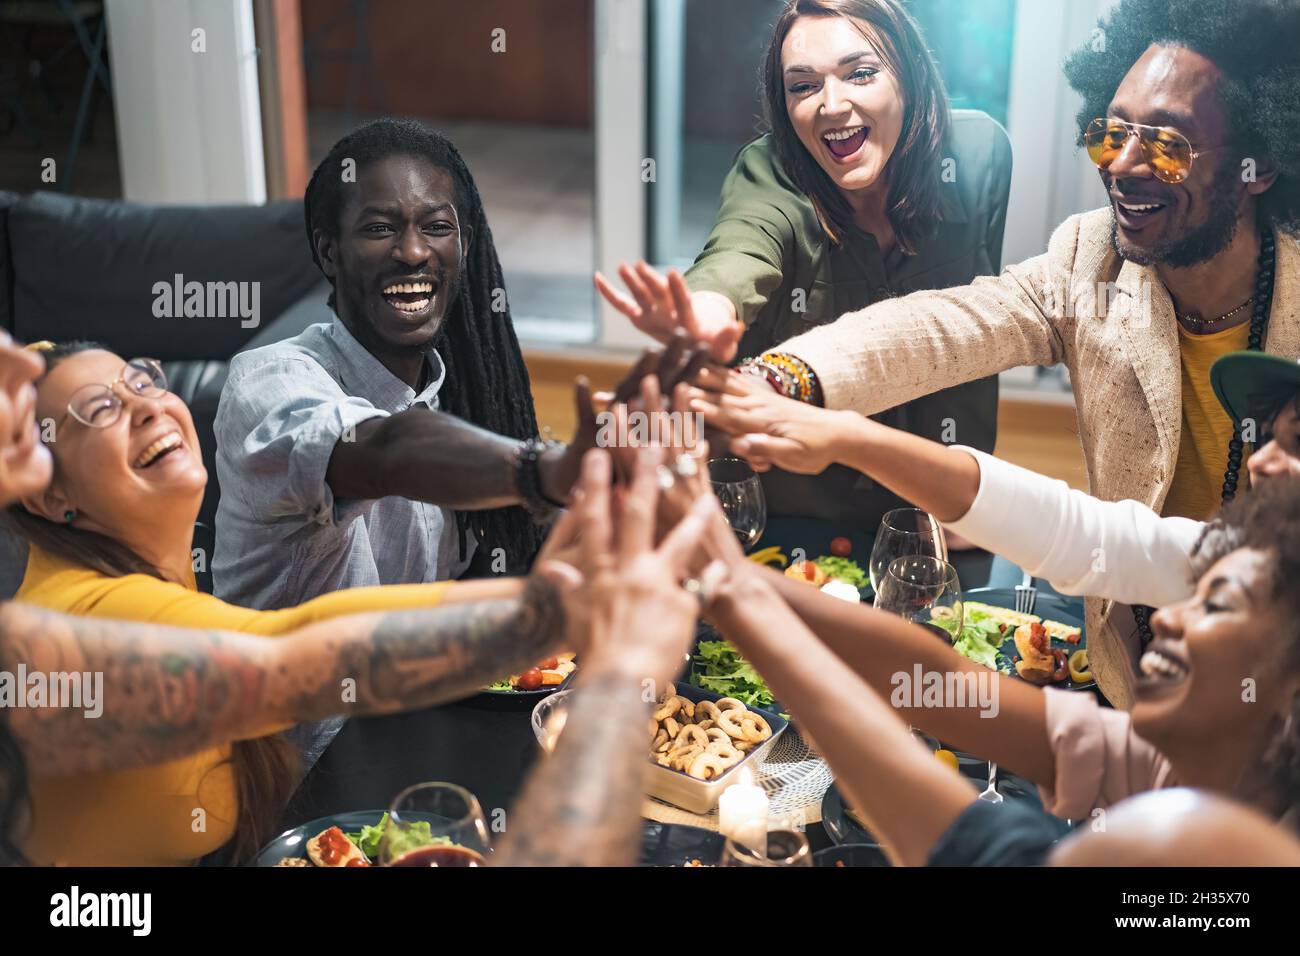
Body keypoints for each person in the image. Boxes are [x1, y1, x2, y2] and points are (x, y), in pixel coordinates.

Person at [663, 0, 1300, 708]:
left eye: (1167, 145)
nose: (1122, 165)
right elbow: (941, 327)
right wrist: (779, 378)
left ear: (1260, 163)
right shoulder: (1092, 262)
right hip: (1140, 680)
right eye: (1110, 134)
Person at [2, 342, 588, 865]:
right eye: (101, 409)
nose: (148, 406)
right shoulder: (83, 613)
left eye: (140, 381)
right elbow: (302, 655)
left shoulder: (135, 576)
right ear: (51, 498)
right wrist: (561, 606)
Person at [651, 401, 1300, 863]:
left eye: (1214, 605)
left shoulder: (1191, 844)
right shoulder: (1186, 761)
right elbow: (940, 687)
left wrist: (728, 589)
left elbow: (945, 827)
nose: (1165, 617)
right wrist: (727, 573)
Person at [596, 0, 1006, 536]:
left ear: (909, 73)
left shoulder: (980, 158)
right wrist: (703, 314)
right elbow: (737, 252)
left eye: (861, 74)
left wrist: (965, 501)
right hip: (792, 510)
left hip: (937, 502)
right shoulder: (771, 174)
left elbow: (981, 323)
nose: (832, 105)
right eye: (803, 86)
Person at [213, 119, 597, 613]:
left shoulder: (453, 396)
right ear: (329, 251)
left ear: (464, 246)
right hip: (285, 689)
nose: (413, 253)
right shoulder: (270, 384)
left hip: (410, 683)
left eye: (436, 228)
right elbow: (386, 451)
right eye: (379, 229)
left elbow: (484, 580)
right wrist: (542, 470)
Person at [690, 349, 1300, 610]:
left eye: (1295, 445)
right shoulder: (1237, 556)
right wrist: (851, 438)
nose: (1262, 462)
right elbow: (1081, 532)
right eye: (1269, 437)